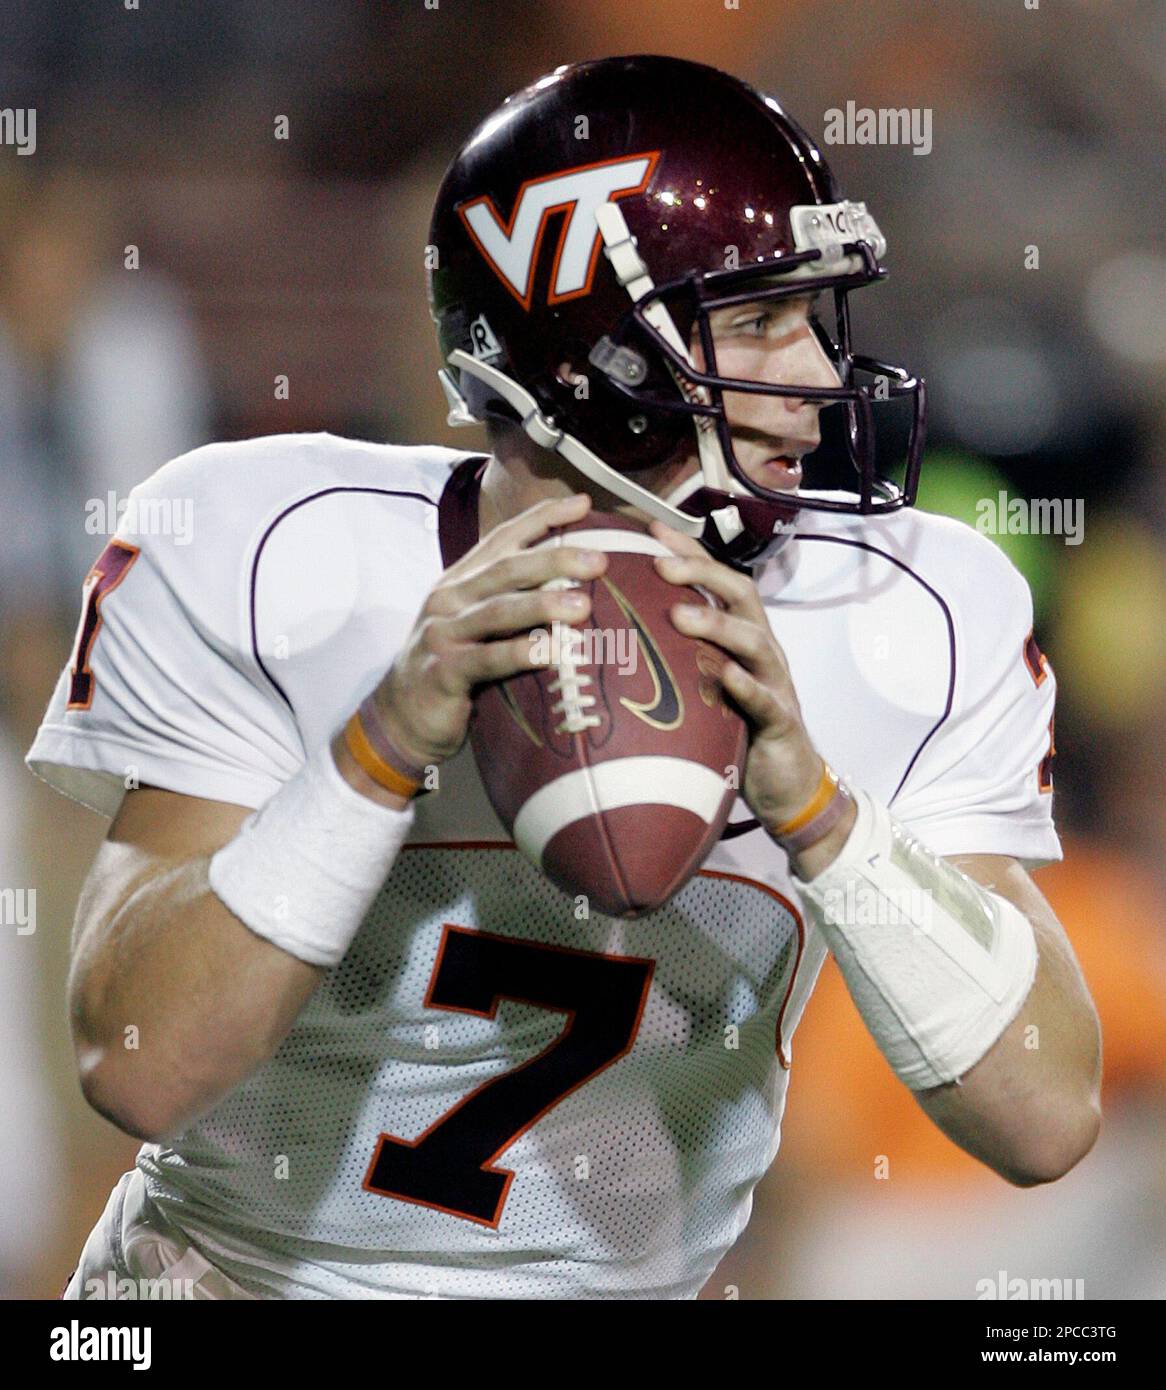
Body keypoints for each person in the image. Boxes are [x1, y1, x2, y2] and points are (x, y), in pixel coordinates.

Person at [27, 54, 1100, 1301]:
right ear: (597, 349)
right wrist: (378, 747)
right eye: (759, 320)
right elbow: (137, 1062)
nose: (814, 375)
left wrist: (821, 813)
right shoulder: (269, 547)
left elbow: (1045, 1113)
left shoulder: (905, 608)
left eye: (815, 318)